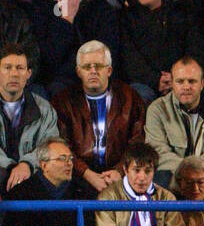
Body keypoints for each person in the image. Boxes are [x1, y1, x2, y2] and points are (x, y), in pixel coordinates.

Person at [51, 39, 146, 197]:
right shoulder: (62, 102)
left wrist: (119, 171)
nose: (93, 71)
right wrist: (86, 173)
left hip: (121, 175)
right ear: (78, 72)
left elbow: (137, 142)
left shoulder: (130, 98)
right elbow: (61, 145)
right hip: (77, 176)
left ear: (109, 70)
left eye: (99, 66)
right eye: (87, 67)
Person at [0, 42, 59, 193]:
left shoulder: (44, 108)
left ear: (28, 73)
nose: (14, 74)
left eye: (20, 68)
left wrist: (27, 164)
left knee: (55, 177)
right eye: (7, 68)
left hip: (31, 169)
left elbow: (50, 146)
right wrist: (12, 167)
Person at [28, 0, 118, 95]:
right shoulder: (41, 9)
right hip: (54, 81)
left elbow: (106, 52)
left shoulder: (101, 9)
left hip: (92, 78)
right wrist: (67, 17)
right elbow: (46, 60)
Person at [144, 56, 204, 193]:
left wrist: (198, 171)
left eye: (192, 81)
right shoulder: (157, 109)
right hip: (173, 172)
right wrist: (186, 170)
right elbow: (157, 150)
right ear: (172, 83)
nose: (186, 87)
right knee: (160, 180)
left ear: (202, 84)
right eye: (180, 81)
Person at [118, 0, 204, 104]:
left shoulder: (183, 13)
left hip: (181, 79)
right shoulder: (125, 17)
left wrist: (177, 78)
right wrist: (156, 80)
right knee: (137, 98)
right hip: (144, 83)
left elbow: (195, 50)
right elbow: (129, 57)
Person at [94, 142, 185, 226]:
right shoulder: (107, 198)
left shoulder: (167, 198)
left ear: (154, 171)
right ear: (125, 170)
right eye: (136, 170)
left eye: (147, 171)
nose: (142, 178)